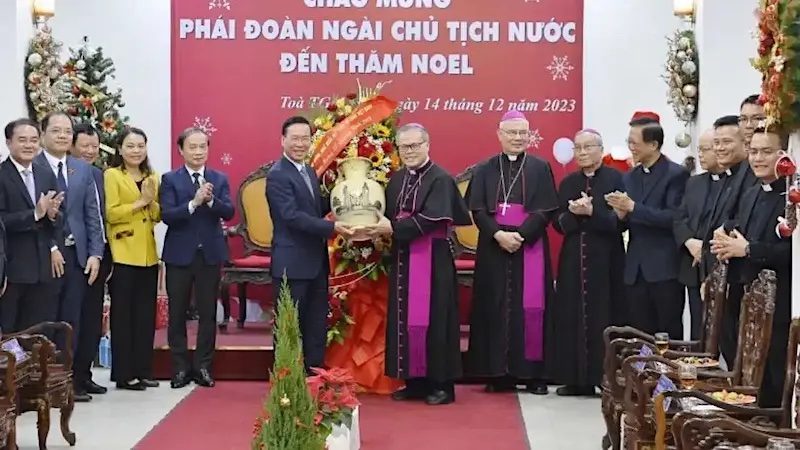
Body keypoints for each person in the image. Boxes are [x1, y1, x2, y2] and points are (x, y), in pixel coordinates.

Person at [367, 123, 471, 405]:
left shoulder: (441, 179)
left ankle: (441, 385)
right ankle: (413, 380)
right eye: (404, 147)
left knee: (436, 319)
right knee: (405, 318)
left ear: (427, 145)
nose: (410, 152)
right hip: (404, 258)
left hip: (433, 258)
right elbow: (386, 216)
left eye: (415, 145)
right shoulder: (397, 179)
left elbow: (432, 219)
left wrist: (392, 229)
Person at [464, 110, 558, 396]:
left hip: (528, 246)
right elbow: (477, 209)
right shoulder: (484, 169)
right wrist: (498, 234)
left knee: (531, 308)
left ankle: (533, 374)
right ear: (500, 134)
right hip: (494, 247)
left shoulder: (540, 168)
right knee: (493, 306)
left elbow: (546, 209)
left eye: (523, 133)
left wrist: (521, 235)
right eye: (512, 133)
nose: (518, 138)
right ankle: (497, 372)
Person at [710, 127, 791, 408]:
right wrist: (725, 245)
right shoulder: (751, 193)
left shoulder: (792, 196)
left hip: (783, 300)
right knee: (748, 370)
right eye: (753, 151)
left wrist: (747, 249)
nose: (757, 158)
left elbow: (793, 251)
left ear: (784, 155)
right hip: (746, 297)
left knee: (775, 371)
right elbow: (739, 235)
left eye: (766, 152)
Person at [266, 116, 351, 373]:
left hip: (315, 264)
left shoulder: (309, 171)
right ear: (283, 140)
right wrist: (332, 228)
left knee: (315, 325)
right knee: (290, 327)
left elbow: (315, 208)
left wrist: (347, 197)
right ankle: (287, 381)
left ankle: (314, 377)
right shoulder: (278, 175)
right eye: (295, 138)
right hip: (291, 265)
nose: (301, 144)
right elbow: (291, 216)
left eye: (306, 138)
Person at [547, 128, 625, 396]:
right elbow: (558, 224)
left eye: (587, 147)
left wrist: (592, 212)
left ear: (600, 149)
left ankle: (604, 378)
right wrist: (572, 213)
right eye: (577, 148)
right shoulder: (568, 182)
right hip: (573, 261)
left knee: (604, 315)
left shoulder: (616, 178)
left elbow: (620, 223)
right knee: (571, 315)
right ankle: (574, 379)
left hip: (606, 259)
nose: (582, 153)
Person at [161, 127, 234, 389]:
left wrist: (211, 201)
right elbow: (167, 215)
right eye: (192, 147)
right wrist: (193, 203)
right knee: (178, 314)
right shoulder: (170, 179)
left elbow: (229, 212)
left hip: (209, 255)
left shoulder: (219, 178)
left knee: (207, 314)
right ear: (181, 149)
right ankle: (180, 368)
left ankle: (203, 367)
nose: (198, 151)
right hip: (179, 256)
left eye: (203, 146)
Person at [35, 113, 103, 394]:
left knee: (71, 321)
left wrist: (95, 253)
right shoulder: (33, 166)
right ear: (43, 134)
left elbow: (92, 214)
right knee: (46, 321)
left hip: (78, 257)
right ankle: (41, 382)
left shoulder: (81, 169)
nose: (63, 136)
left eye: (67, 131)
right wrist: (51, 246)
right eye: (56, 130)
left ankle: (66, 382)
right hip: (45, 257)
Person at [607, 112, 688, 339]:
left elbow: (673, 218)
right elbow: (624, 223)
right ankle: (643, 373)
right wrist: (620, 215)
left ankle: (666, 375)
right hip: (635, 269)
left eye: (635, 143)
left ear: (653, 144)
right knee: (640, 333)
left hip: (664, 268)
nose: (631, 147)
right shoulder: (629, 177)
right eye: (629, 142)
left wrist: (633, 208)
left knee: (668, 331)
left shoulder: (676, 174)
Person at [105, 127, 161, 391]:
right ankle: (124, 374)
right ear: (120, 149)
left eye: (140, 145)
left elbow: (158, 215)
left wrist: (151, 203)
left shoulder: (152, 176)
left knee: (144, 316)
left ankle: (144, 369)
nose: (136, 151)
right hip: (123, 253)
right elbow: (111, 213)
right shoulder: (113, 175)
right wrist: (140, 203)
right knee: (123, 316)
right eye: (130, 146)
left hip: (148, 255)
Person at [0, 118, 63, 332]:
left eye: (34, 140)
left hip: (42, 270)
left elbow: (55, 221)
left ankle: (32, 367)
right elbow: (2, 221)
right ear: (9, 143)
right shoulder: (1, 175)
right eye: (22, 140)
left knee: (37, 332)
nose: (29, 145)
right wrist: (34, 214)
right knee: (10, 330)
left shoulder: (45, 174)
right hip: (12, 268)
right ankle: (11, 366)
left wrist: (53, 215)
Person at [708, 114, 759, 363]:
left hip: (748, 268)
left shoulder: (751, 173)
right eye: (715, 143)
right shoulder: (728, 175)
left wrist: (726, 230)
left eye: (726, 142)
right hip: (726, 268)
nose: (719, 148)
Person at [70, 123, 112, 399]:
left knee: (92, 318)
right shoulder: (68, 174)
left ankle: (85, 375)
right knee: (75, 319)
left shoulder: (98, 174)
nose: (89, 151)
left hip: (100, 253)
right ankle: (70, 379)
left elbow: (100, 216)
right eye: (84, 145)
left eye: (94, 146)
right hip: (76, 256)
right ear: (73, 146)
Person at [673, 129, 722, 340]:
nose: (700, 154)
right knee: (697, 329)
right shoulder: (694, 183)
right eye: (699, 149)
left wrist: (704, 248)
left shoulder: (732, 183)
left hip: (717, 265)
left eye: (706, 149)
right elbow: (679, 217)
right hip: (693, 265)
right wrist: (689, 241)